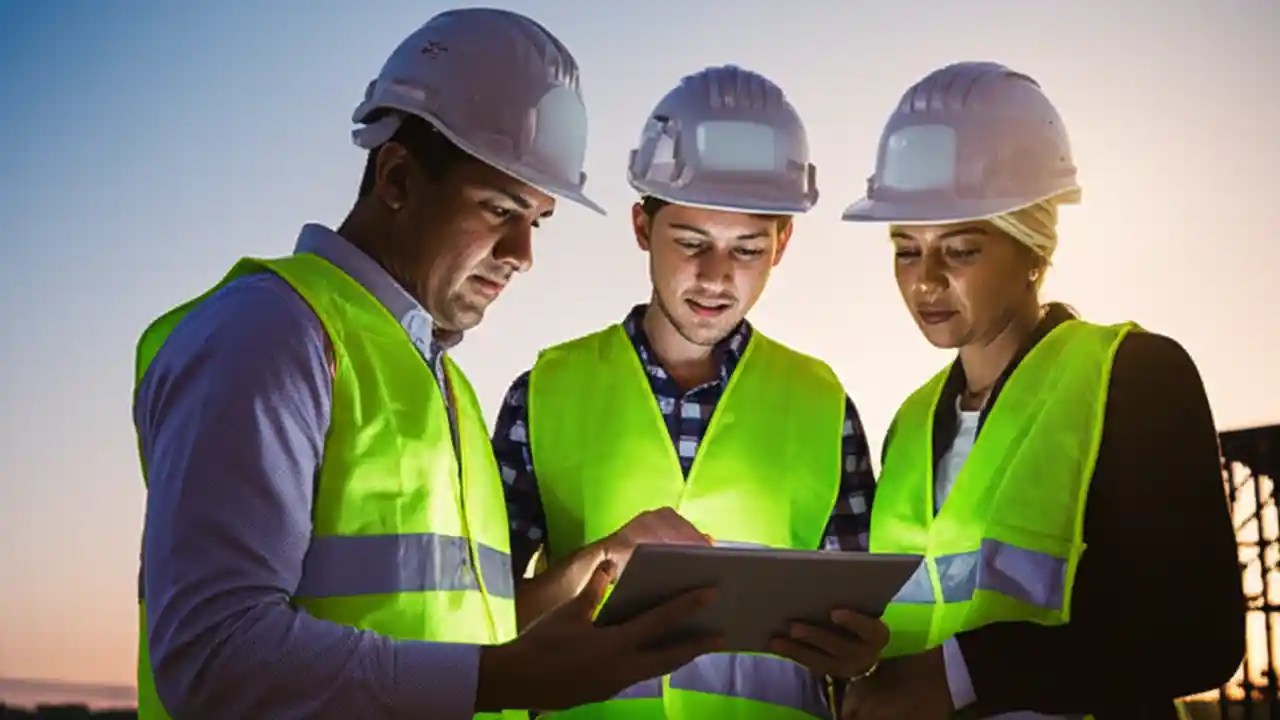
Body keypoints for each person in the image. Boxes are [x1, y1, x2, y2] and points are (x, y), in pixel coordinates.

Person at [130, 9, 723, 720]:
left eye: (534, 222)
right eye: (500, 209)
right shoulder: (269, 332)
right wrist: (507, 681)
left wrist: (583, 573)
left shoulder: (441, 382)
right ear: (399, 178)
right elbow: (211, 655)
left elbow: (463, 634)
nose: (521, 255)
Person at [836, 61, 1246, 719]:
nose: (925, 280)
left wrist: (959, 677)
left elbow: (1199, 637)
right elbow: (929, 612)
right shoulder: (910, 424)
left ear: (1034, 248)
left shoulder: (1133, 375)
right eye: (905, 248)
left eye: (961, 249)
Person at [491, 64, 887, 720]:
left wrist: (861, 658)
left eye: (748, 249)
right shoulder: (543, 392)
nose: (716, 277)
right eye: (691, 242)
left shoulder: (823, 405)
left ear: (782, 244)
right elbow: (477, 619)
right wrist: (593, 564)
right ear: (643, 227)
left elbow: (860, 644)